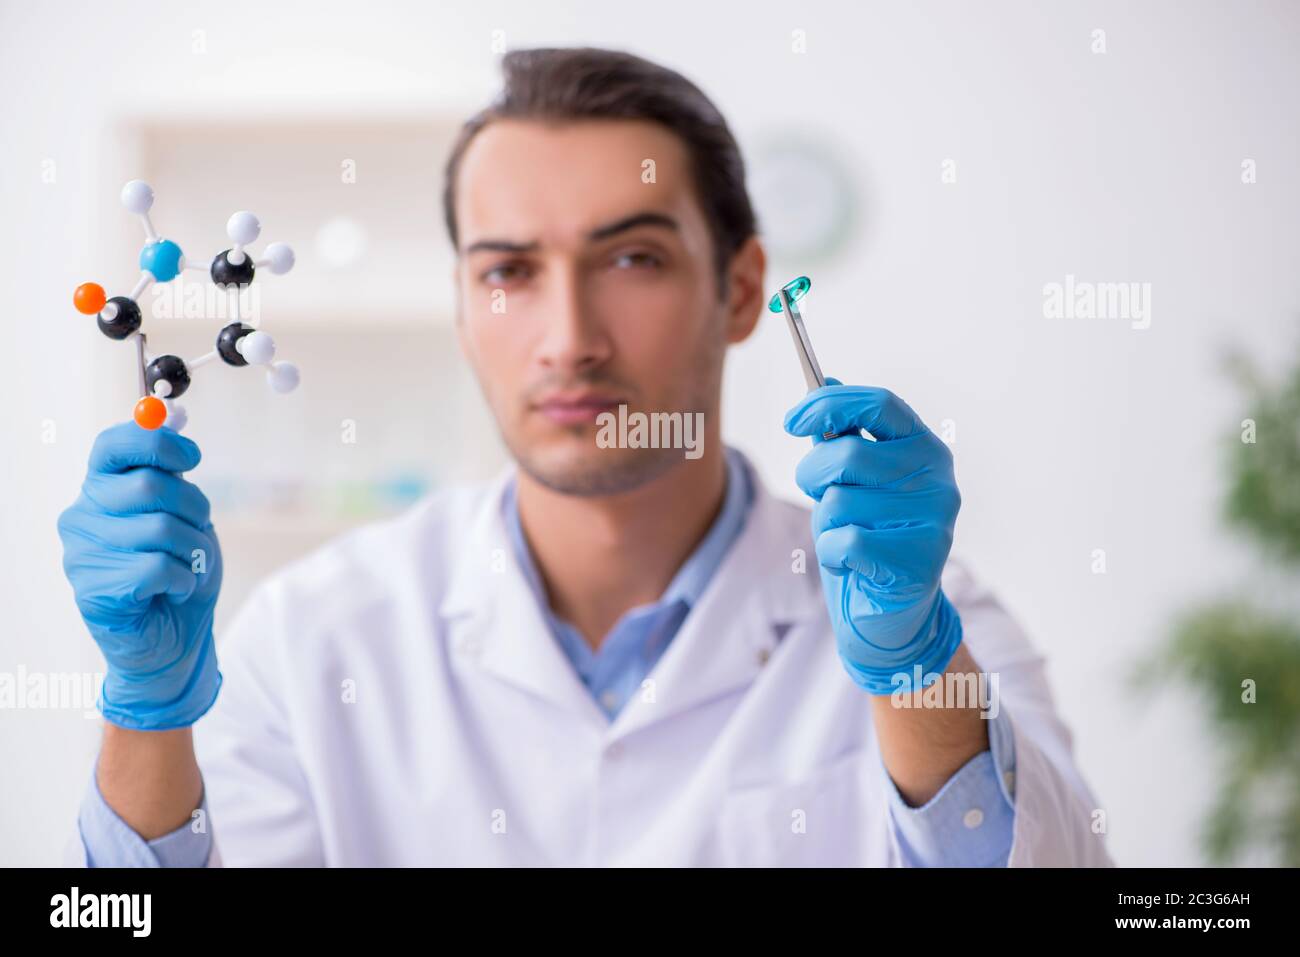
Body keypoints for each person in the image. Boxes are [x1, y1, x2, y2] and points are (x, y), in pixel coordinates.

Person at [58, 47, 1112, 867]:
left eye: (633, 257)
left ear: (740, 290)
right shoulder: (310, 640)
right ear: (465, 304)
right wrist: (142, 716)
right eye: (509, 268)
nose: (568, 336)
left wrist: (915, 673)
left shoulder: (936, 620)